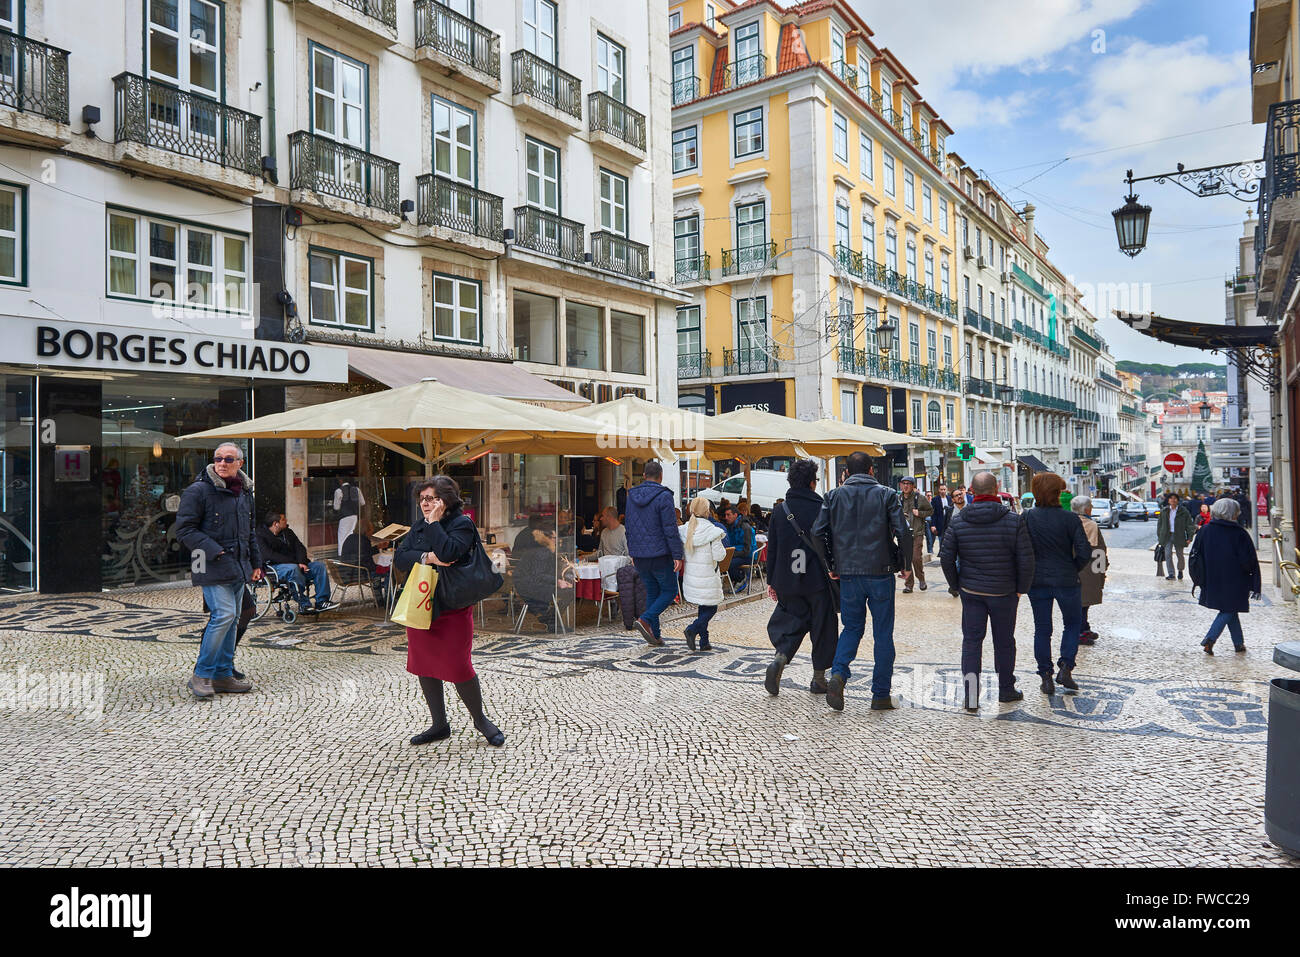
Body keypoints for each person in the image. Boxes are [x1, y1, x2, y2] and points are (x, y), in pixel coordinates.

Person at [395, 476, 504, 747]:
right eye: (422, 499)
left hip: (452, 605)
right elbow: (401, 556)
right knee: (424, 665)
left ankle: (480, 720)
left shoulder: (462, 524)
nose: (425, 504)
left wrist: (433, 525)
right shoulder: (419, 526)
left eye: (430, 499)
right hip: (422, 603)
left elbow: (449, 550)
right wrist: (428, 557)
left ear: (445, 500)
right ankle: (439, 724)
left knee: (458, 666)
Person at [812, 450, 911, 712]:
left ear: (846, 472)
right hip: (880, 572)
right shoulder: (887, 494)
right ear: (871, 471)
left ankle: (839, 674)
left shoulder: (833, 496)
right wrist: (905, 564)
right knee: (883, 634)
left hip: (849, 574)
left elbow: (817, 532)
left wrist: (831, 563)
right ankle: (880, 694)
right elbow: (903, 531)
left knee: (852, 628)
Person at [174, 442, 263, 699]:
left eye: (228, 459)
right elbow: (185, 531)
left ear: (240, 463)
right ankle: (202, 674)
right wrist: (217, 551)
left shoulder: (245, 492)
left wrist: (256, 563)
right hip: (211, 564)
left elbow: (250, 533)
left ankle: (223, 675)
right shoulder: (198, 491)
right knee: (223, 616)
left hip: (239, 566)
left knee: (234, 619)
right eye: (218, 458)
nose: (222, 463)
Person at [939, 470, 1033, 710]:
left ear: (972, 490)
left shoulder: (959, 520)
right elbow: (1026, 559)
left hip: (972, 591)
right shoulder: (1013, 520)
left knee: (971, 642)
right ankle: (1006, 689)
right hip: (1004, 591)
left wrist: (956, 584)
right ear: (996, 489)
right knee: (1004, 642)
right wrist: (1021, 588)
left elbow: (946, 557)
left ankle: (971, 696)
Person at [763, 459, 838, 697]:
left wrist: (771, 581)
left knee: (790, 623)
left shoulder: (779, 510)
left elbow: (772, 548)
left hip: (787, 579)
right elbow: (832, 543)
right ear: (812, 483)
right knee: (823, 627)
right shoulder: (823, 508)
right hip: (817, 580)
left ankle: (780, 659)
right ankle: (818, 679)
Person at [1022, 472, 1091, 694]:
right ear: (1057, 493)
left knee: (1042, 629)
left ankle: (1045, 676)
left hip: (1037, 580)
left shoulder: (1027, 517)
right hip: (1066, 579)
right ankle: (1066, 666)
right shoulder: (1070, 518)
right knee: (1072, 624)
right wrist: (1072, 567)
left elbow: (1020, 550)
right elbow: (1084, 551)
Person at [624, 460, 684, 646]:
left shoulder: (631, 496)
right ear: (661, 476)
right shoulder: (664, 496)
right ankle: (645, 619)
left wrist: (632, 551)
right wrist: (677, 554)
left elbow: (629, 526)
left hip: (640, 554)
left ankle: (655, 636)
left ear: (643, 476)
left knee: (652, 591)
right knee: (670, 590)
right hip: (660, 554)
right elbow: (670, 528)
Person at [1190, 497, 1261, 654]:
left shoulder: (1205, 530)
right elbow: (1247, 560)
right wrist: (1251, 576)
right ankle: (1210, 638)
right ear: (1231, 513)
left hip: (1211, 578)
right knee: (1229, 608)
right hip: (1235, 579)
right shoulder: (1239, 533)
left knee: (1229, 608)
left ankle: (1239, 643)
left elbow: (1196, 554)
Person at [257, 511, 338, 615]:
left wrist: (301, 562)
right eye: (283, 519)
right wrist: (296, 563)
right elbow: (269, 555)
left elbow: (300, 547)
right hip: (275, 567)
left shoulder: (288, 532)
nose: (286, 521)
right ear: (275, 523)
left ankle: (322, 601)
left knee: (319, 566)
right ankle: (304, 604)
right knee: (293, 569)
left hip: (296, 564)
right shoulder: (260, 535)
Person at [677, 496, 726, 651]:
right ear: (708, 511)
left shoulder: (685, 530)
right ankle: (692, 629)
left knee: (703, 607)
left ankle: (704, 642)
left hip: (692, 577)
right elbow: (719, 556)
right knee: (711, 608)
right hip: (708, 577)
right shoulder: (712, 531)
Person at [1071, 496, 1107, 646]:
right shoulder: (1091, 524)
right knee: (1083, 602)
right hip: (1088, 567)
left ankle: (1084, 627)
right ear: (1086, 509)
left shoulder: (1068, 522)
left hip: (1072, 566)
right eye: (1091, 506)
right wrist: (1102, 570)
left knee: (1081, 601)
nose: (1091, 508)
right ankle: (1080, 632)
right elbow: (1099, 550)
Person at [898, 477, 933, 593]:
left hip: (917, 532)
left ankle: (921, 578)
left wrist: (920, 513)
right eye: (904, 484)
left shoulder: (920, 498)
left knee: (916, 558)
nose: (906, 486)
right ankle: (909, 585)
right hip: (903, 534)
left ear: (913, 486)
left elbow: (930, 511)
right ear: (900, 485)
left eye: (908, 484)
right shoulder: (898, 499)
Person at [1157, 491, 1194, 581]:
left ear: (1177, 500)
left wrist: (1189, 538)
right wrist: (1160, 536)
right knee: (1168, 554)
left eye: (1175, 498)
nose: (1173, 500)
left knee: (1180, 555)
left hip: (1179, 535)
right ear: (1168, 500)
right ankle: (1171, 574)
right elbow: (1159, 525)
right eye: (1171, 498)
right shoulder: (1164, 511)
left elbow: (1189, 525)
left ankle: (1180, 570)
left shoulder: (1183, 511)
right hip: (1167, 535)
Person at [720, 503, 754, 586]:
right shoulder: (730, 526)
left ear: (735, 515)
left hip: (748, 556)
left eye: (728, 515)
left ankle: (741, 578)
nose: (726, 517)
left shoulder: (745, 527)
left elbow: (747, 550)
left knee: (727, 563)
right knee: (722, 561)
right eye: (725, 515)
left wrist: (731, 554)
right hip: (737, 553)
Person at [332, 477, 365, 555]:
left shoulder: (338, 491)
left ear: (340, 480)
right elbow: (362, 503)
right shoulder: (357, 489)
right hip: (354, 516)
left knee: (342, 538)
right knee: (352, 536)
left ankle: (342, 556)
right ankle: (352, 554)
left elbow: (336, 507)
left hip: (344, 517)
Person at [927, 482, 951, 558]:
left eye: (944, 489)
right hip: (939, 523)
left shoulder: (950, 499)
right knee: (941, 540)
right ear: (939, 490)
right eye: (941, 489)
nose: (943, 491)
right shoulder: (935, 499)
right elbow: (933, 514)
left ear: (946, 490)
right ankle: (942, 555)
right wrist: (933, 525)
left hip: (949, 523)